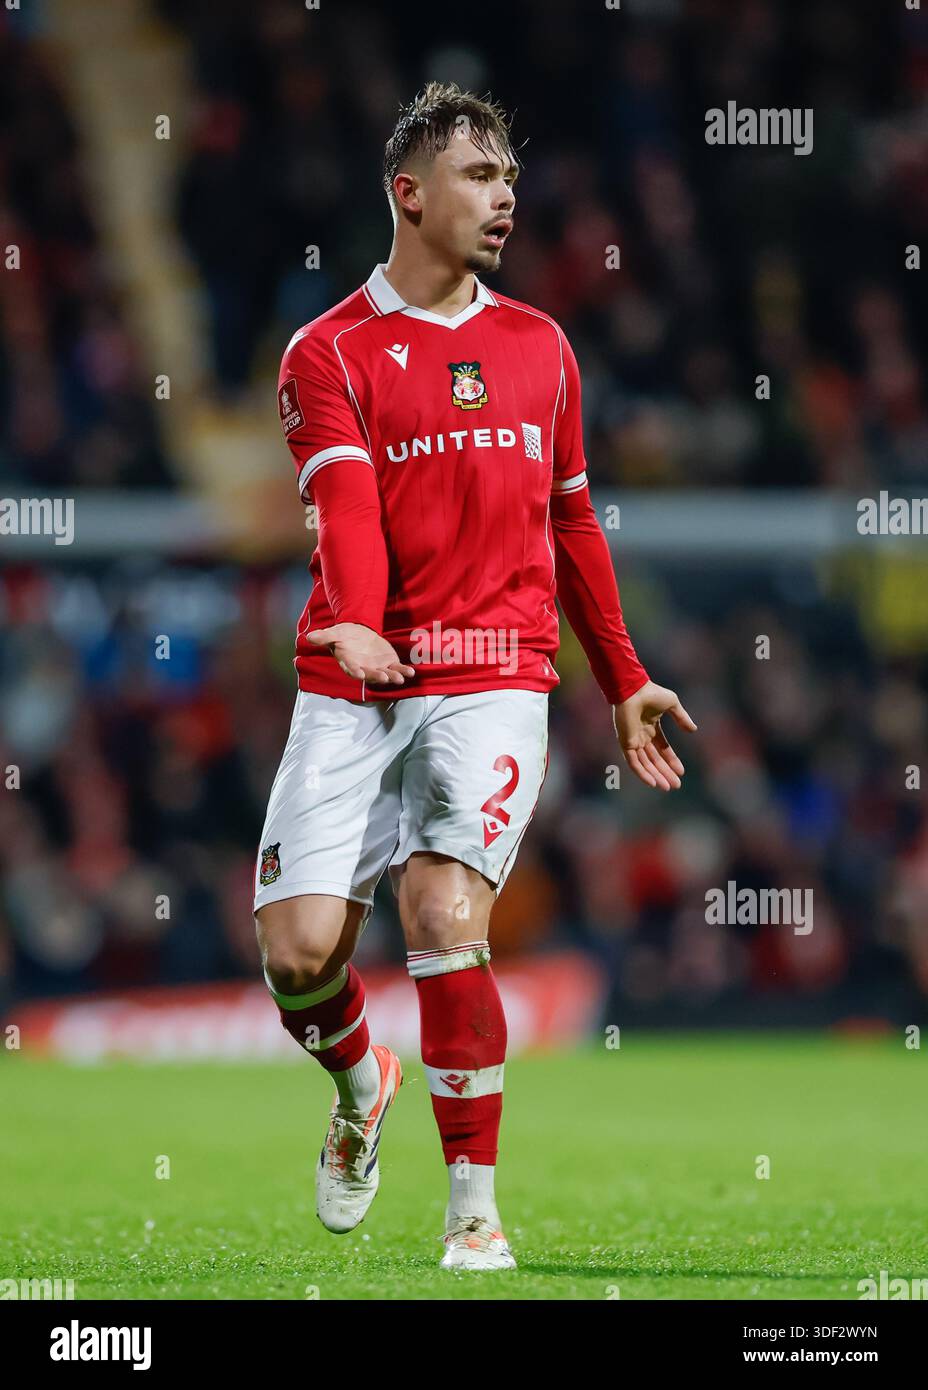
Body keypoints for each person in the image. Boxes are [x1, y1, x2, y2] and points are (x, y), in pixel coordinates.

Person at [254, 82, 696, 1271]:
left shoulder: (541, 346)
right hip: (353, 680)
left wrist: (624, 675)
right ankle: (361, 1084)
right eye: (477, 174)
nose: (504, 196)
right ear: (407, 191)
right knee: (298, 958)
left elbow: (574, 520)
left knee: (444, 912)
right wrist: (349, 622)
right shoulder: (329, 350)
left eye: (508, 176)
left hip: (495, 668)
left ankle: (473, 1212)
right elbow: (345, 506)